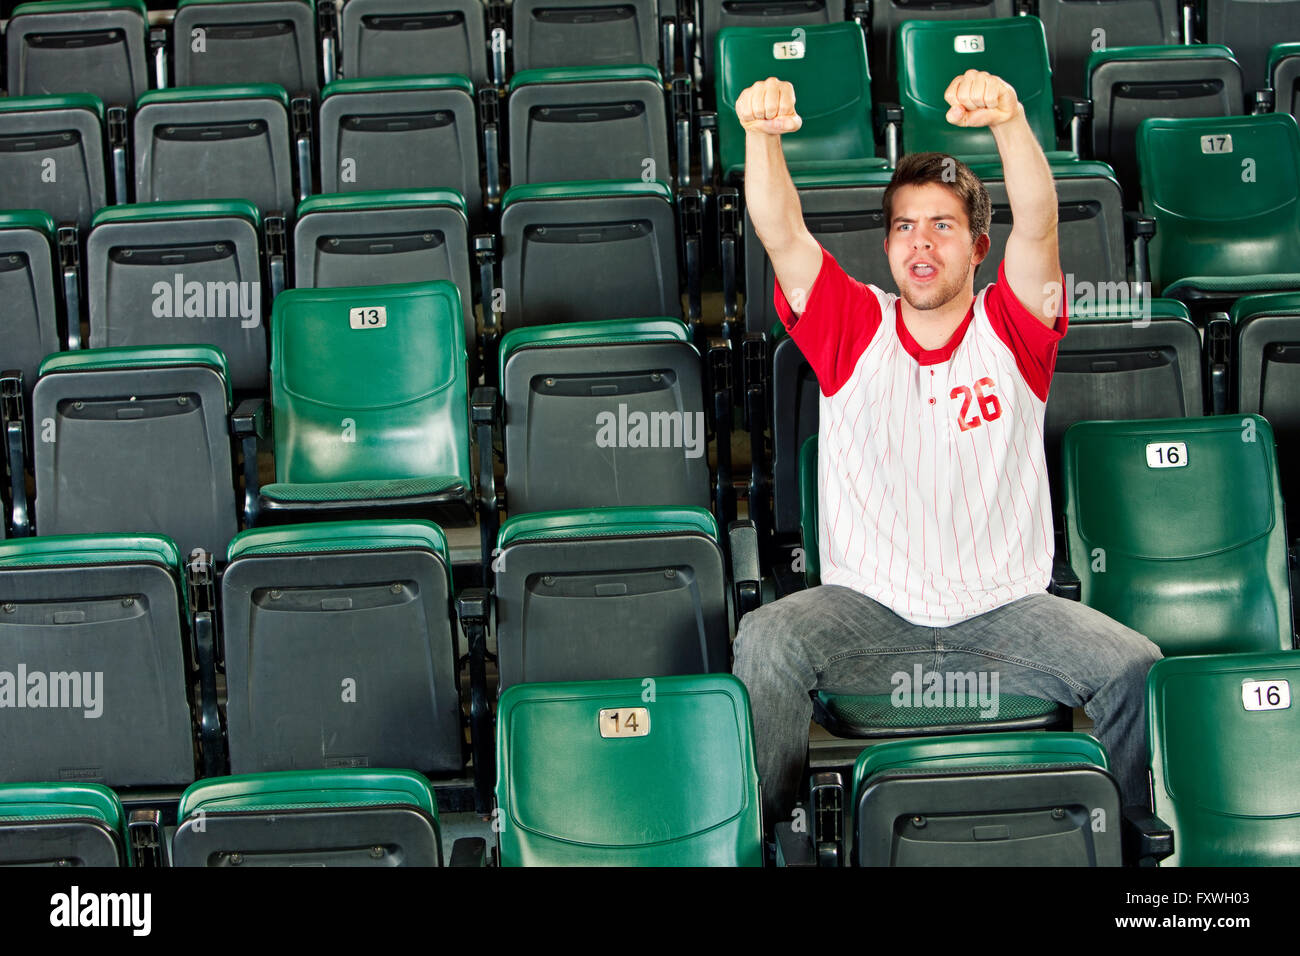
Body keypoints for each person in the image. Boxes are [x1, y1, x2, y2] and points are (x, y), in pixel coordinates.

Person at [731, 69, 1163, 828]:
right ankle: (772, 838)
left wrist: (1009, 122)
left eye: (941, 225)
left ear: (976, 247)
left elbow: (1040, 224)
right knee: (767, 639)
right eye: (904, 226)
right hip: (868, 613)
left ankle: (1129, 846)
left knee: (1134, 666)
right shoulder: (853, 325)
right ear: (887, 243)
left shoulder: (1015, 328)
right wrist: (762, 137)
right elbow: (782, 232)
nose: (920, 242)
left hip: (1006, 616)